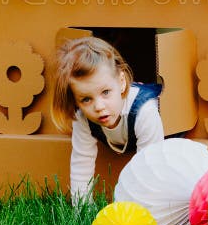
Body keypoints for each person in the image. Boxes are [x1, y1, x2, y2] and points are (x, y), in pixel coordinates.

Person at [51, 37, 164, 203]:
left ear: (122, 82)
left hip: (163, 138)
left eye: (105, 92)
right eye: (86, 99)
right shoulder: (83, 118)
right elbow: (81, 164)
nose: (98, 106)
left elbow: (148, 169)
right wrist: (82, 212)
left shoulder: (145, 112)